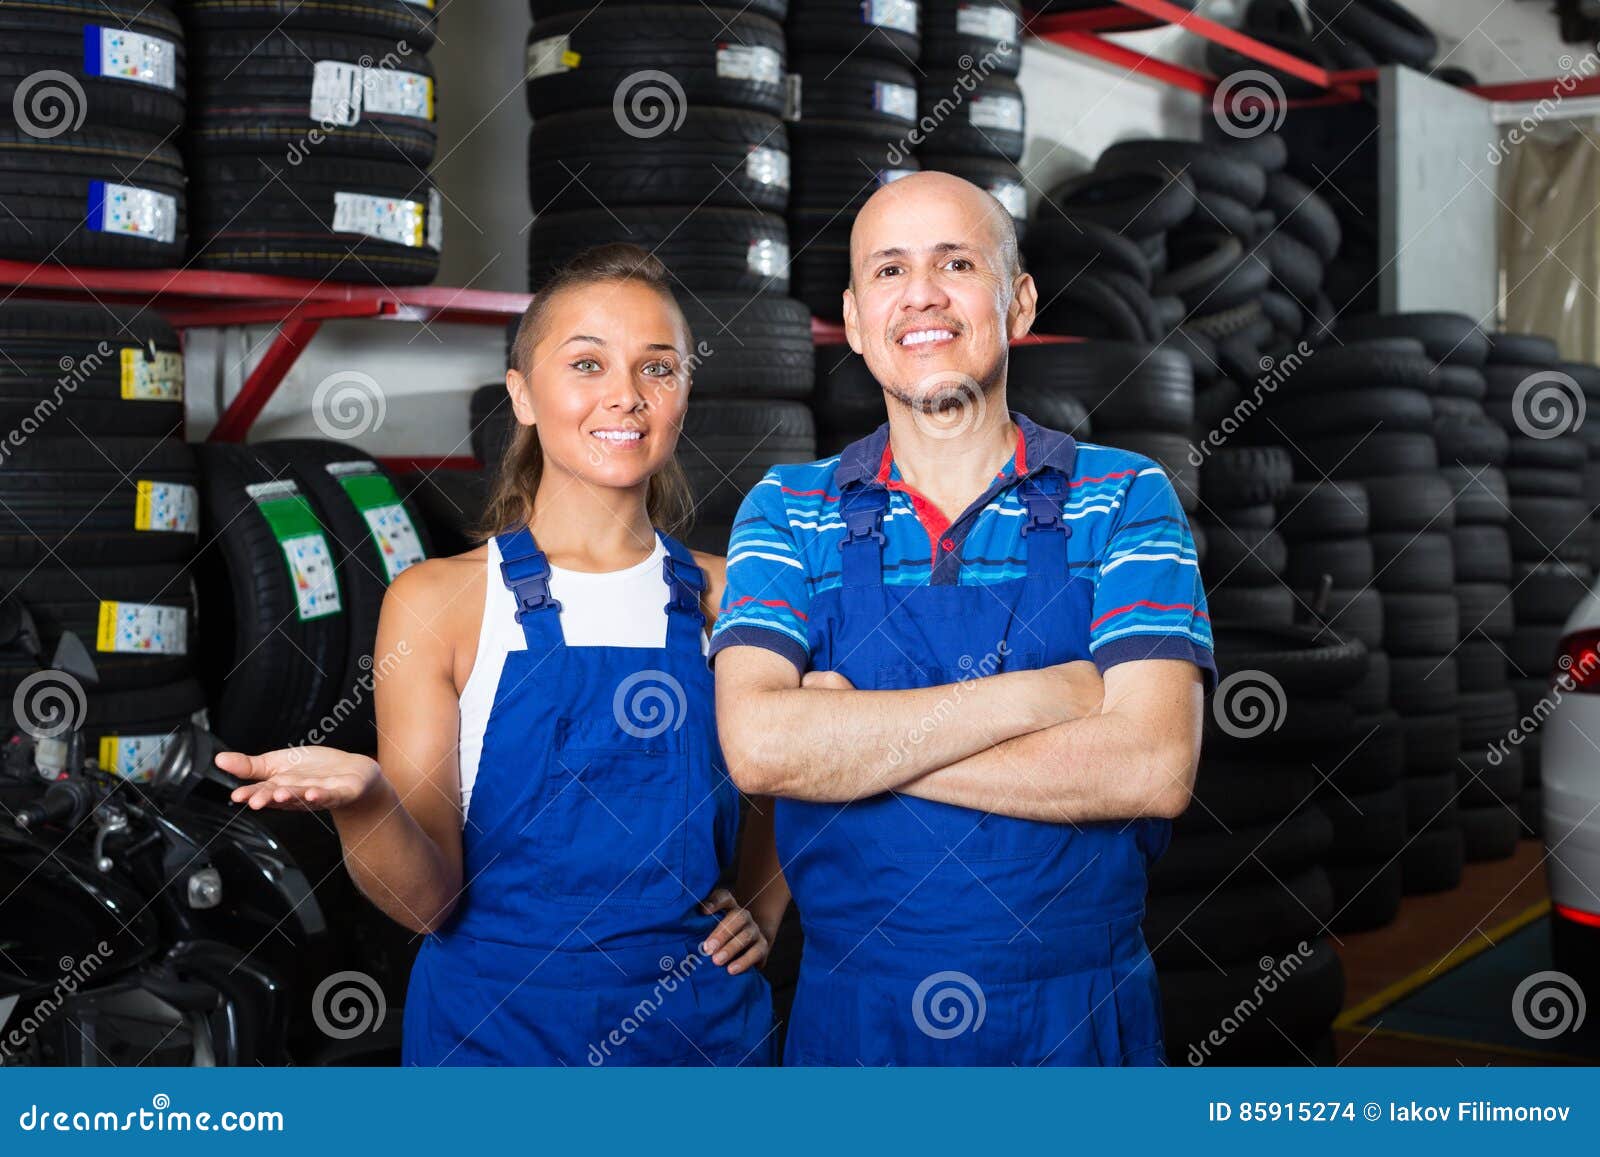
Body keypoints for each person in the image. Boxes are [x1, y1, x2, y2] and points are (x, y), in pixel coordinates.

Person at [215, 243, 785, 1067]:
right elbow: (428, 902)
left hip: (698, 1037)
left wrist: (765, 905)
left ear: (683, 391)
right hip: (496, 1042)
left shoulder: (729, 596)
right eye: (585, 363)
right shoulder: (440, 602)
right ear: (521, 393)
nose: (624, 395)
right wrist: (366, 800)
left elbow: (787, 776)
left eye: (657, 369)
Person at [712, 171, 1215, 1066]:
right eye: (889, 271)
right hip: (857, 1032)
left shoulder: (1126, 496)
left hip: (1076, 1027)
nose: (922, 296)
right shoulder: (787, 509)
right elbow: (761, 749)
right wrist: (1047, 696)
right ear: (857, 320)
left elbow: (1152, 764)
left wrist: (851, 748)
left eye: (956, 262)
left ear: (1017, 303)